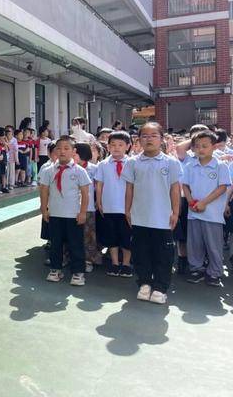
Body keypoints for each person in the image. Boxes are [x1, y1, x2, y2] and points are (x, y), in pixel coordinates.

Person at [124, 122, 182, 305]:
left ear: (162, 139)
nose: (149, 139)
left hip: (163, 218)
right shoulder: (132, 162)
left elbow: (175, 189)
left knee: (163, 254)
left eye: (154, 135)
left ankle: (160, 287)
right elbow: (129, 189)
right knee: (141, 252)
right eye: (145, 136)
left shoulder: (171, 162)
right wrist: (127, 210)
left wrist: (175, 212)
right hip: (140, 216)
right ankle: (144, 283)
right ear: (139, 139)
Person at [40, 136, 91, 286]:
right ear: (55, 151)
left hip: (73, 215)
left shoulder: (79, 171)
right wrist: (44, 209)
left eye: (66, 148)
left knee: (76, 244)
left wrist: (83, 212)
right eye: (59, 148)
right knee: (55, 244)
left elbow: (85, 193)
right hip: (55, 214)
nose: (62, 151)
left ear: (74, 151)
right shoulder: (48, 171)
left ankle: (78, 272)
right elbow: (44, 190)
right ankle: (55, 269)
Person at [182, 130, 231, 286]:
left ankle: (215, 272)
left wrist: (204, 203)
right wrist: (191, 201)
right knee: (194, 244)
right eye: (197, 146)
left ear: (214, 147)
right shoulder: (190, 165)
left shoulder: (220, 166)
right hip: (193, 213)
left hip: (212, 214)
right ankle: (196, 269)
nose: (200, 149)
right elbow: (185, 185)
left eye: (205, 146)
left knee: (213, 245)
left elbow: (222, 188)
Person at [95, 131, 133, 277]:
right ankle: (115, 263)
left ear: (128, 146)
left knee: (126, 236)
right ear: (108, 146)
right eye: (113, 145)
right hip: (109, 206)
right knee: (112, 237)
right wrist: (99, 202)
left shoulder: (132, 163)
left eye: (120, 145)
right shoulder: (103, 164)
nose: (116, 148)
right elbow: (99, 184)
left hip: (126, 208)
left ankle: (126, 264)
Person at [73, 143, 98, 274]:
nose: (72, 155)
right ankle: (70, 258)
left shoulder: (94, 169)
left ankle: (88, 260)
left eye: (75, 152)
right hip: (71, 208)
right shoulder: (70, 168)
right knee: (72, 235)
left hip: (89, 207)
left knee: (88, 236)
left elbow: (98, 188)